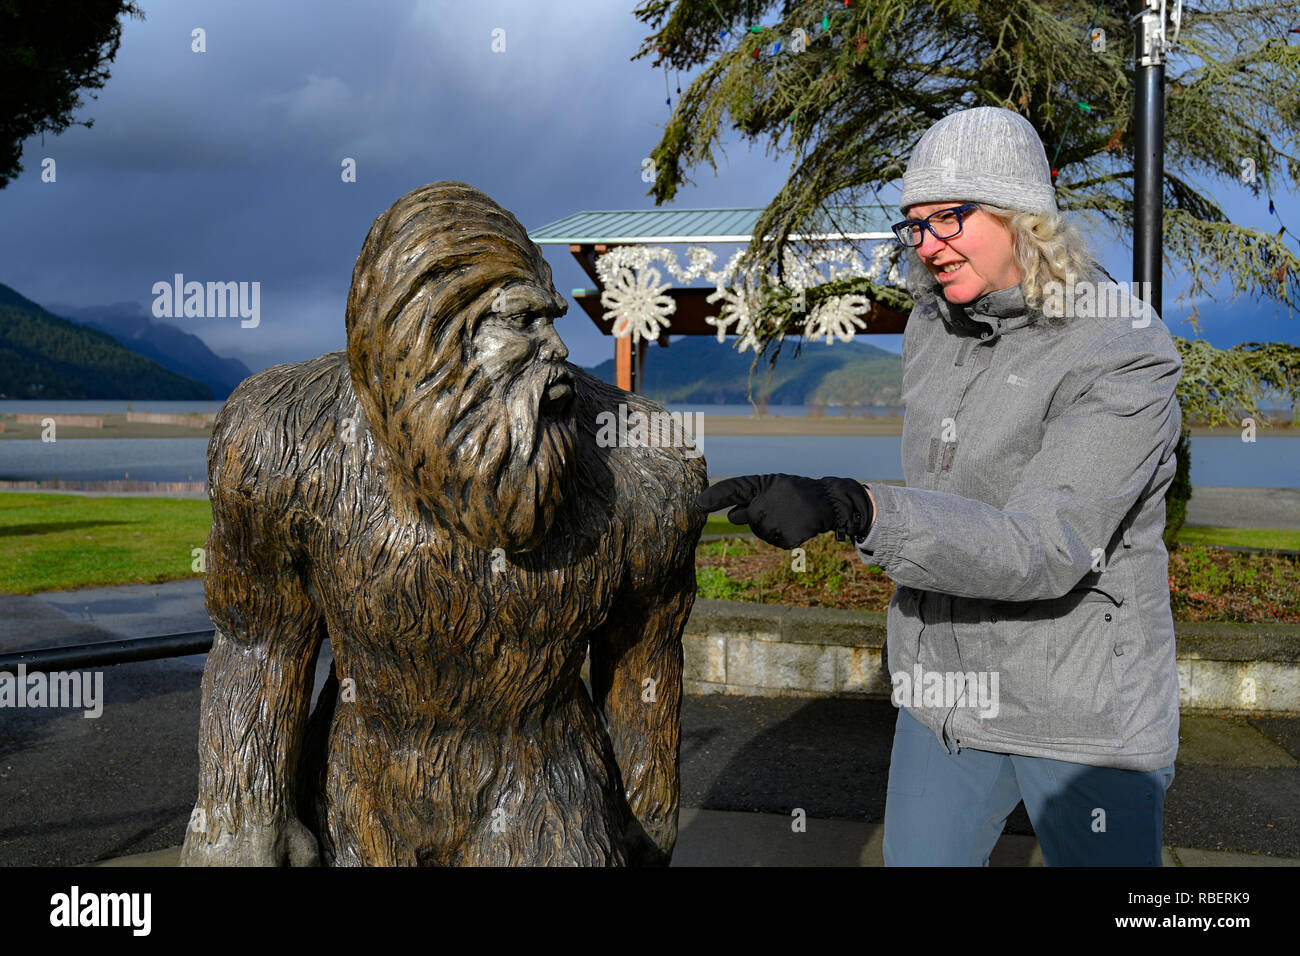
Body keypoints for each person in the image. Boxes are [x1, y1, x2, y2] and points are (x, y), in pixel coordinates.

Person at [696, 106, 1183, 866]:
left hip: (1082, 712)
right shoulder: (933, 325)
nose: (926, 244)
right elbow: (949, 492)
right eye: (913, 225)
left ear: (1023, 214)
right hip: (945, 698)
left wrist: (853, 506)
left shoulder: (1121, 347)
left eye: (948, 218)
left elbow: (1046, 546)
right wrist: (837, 502)